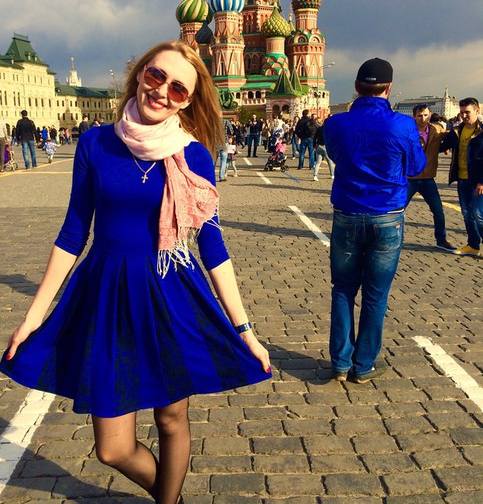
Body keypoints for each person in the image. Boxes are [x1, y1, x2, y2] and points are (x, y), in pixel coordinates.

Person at [1, 40, 271, 504]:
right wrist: (34, 315)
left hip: (170, 292)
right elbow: (72, 234)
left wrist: (244, 329)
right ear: (141, 73)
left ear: (188, 101)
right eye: (156, 75)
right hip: (106, 294)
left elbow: (213, 247)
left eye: (178, 88)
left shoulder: (193, 155)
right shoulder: (95, 144)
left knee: (171, 418)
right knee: (112, 448)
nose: (163, 91)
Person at [324, 58, 426, 384]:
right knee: (375, 294)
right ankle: (364, 364)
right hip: (387, 216)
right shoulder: (402, 125)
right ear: (389, 88)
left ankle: (341, 362)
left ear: (356, 86)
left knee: (342, 289)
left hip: (347, 213)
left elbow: (335, 154)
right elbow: (417, 167)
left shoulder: (336, 123)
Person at [406, 104, 455, 251]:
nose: (423, 118)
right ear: (414, 116)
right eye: (420, 115)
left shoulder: (436, 130)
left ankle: (441, 240)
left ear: (430, 114)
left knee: (438, 210)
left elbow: (453, 135)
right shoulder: (408, 132)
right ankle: (392, 238)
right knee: (398, 209)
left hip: (428, 179)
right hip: (409, 178)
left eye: (426, 115)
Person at [441, 97, 483, 256]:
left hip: (478, 181)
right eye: (461, 112)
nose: (464, 116)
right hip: (462, 178)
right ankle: (473, 245)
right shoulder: (456, 131)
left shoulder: (482, 132)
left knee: (478, 214)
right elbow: (441, 146)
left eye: (467, 112)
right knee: (467, 214)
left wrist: (482, 181)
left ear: (477, 111)